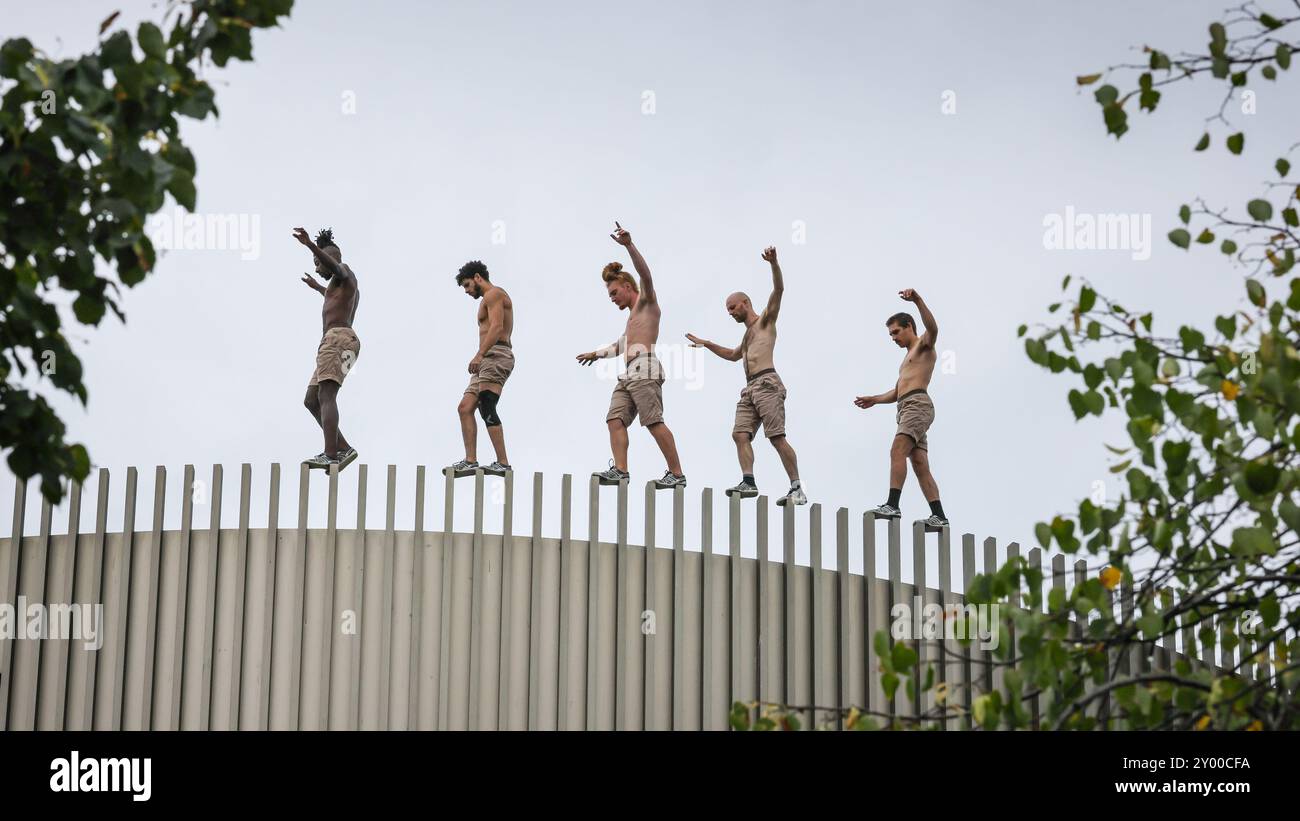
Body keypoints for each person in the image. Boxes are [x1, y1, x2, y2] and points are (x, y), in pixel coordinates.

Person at [686, 246, 804, 505]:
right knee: (740, 434)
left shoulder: (765, 322)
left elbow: (779, 291)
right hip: (749, 389)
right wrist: (706, 343)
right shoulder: (746, 336)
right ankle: (748, 482)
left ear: (745, 303)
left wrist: (774, 263)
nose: (730, 312)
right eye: (727, 309)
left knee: (776, 437)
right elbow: (732, 354)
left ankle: (797, 487)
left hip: (767, 383)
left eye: (732, 307)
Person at [576, 222, 686, 489]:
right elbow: (618, 346)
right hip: (628, 373)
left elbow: (646, 275)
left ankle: (677, 474)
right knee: (615, 419)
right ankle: (621, 471)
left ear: (627, 286)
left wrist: (629, 245)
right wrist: (596, 354)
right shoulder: (630, 321)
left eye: (614, 292)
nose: (612, 298)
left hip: (645, 368)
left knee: (653, 421)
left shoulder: (647, 304)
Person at [855, 289, 948, 528]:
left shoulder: (923, 347)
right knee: (919, 464)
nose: (893, 338)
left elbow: (934, 329)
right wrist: (875, 399)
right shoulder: (905, 361)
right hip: (906, 407)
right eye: (890, 334)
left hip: (917, 405)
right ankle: (939, 516)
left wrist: (917, 300)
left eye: (896, 332)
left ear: (909, 327)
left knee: (897, 450)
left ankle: (892, 505)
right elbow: (897, 392)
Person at [296, 227, 361, 472]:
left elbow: (335, 267)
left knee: (326, 396)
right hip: (342, 341)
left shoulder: (344, 271)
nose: (317, 268)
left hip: (337, 340)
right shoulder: (343, 286)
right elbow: (335, 298)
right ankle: (343, 447)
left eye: (317, 263)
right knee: (311, 400)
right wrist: (317, 288)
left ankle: (331, 454)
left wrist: (310, 246)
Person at [446, 260, 515, 477]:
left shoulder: (493, 294)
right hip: (486, 359)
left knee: (487, 404)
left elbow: (497, 327)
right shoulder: (486, 299)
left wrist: (479, 354)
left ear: (478, 277)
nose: (467, 291)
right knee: (465, 408)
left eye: (467, 285)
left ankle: (503, 463)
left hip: (496, 354)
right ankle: (470, 461)